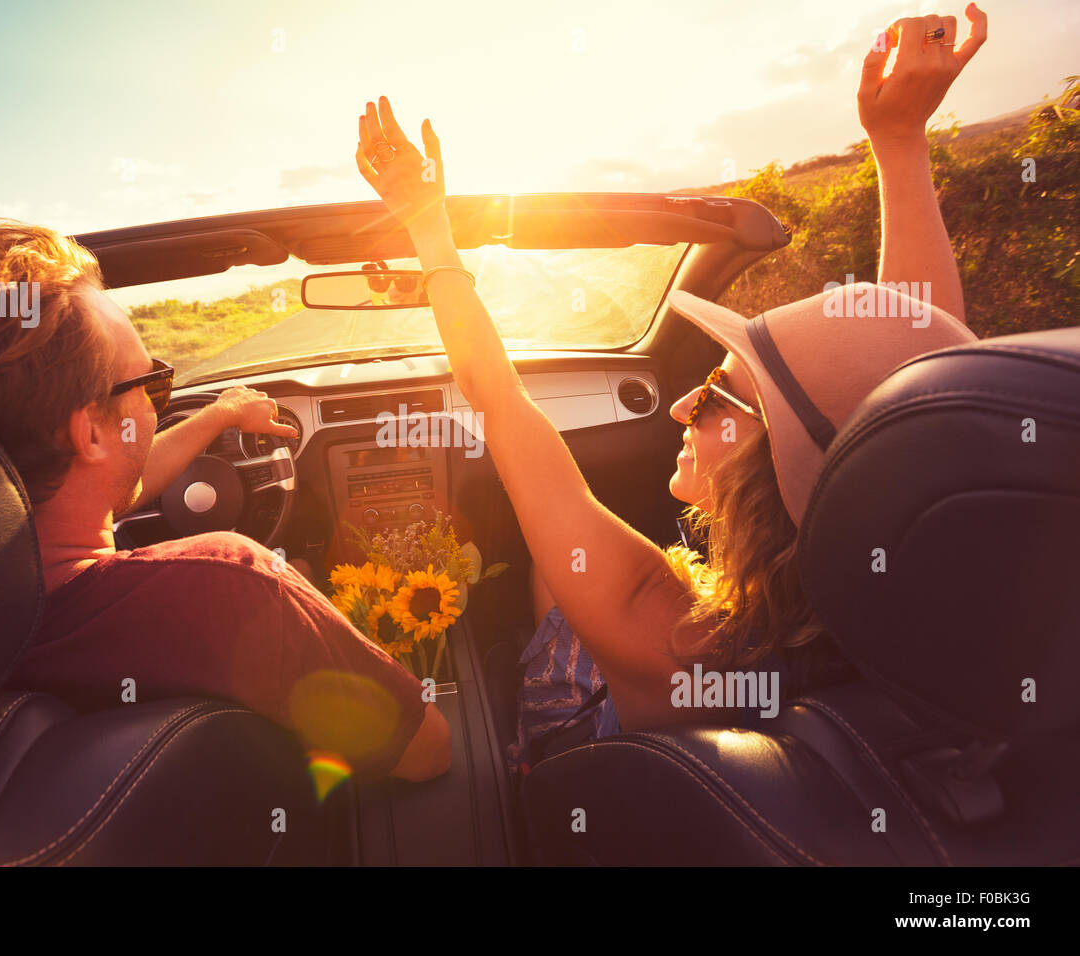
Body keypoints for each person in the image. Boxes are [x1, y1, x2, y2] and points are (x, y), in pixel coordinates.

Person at [351, 7, 988, 764]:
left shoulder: (664, 630)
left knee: (555, 586)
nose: (685, 402)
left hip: (589, 773)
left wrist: (426, 220)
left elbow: (498, 396)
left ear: (779, 467)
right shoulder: (915, 594)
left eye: (718, 394)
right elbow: (916, 361)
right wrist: (899, 139)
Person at [0, 223, 451, 783]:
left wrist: (219, 416)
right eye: (153, 382)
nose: (157, 403)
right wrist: (332, 624)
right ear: (89, 432)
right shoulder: (229, 585)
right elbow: (428, 752)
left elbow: (90, 490)